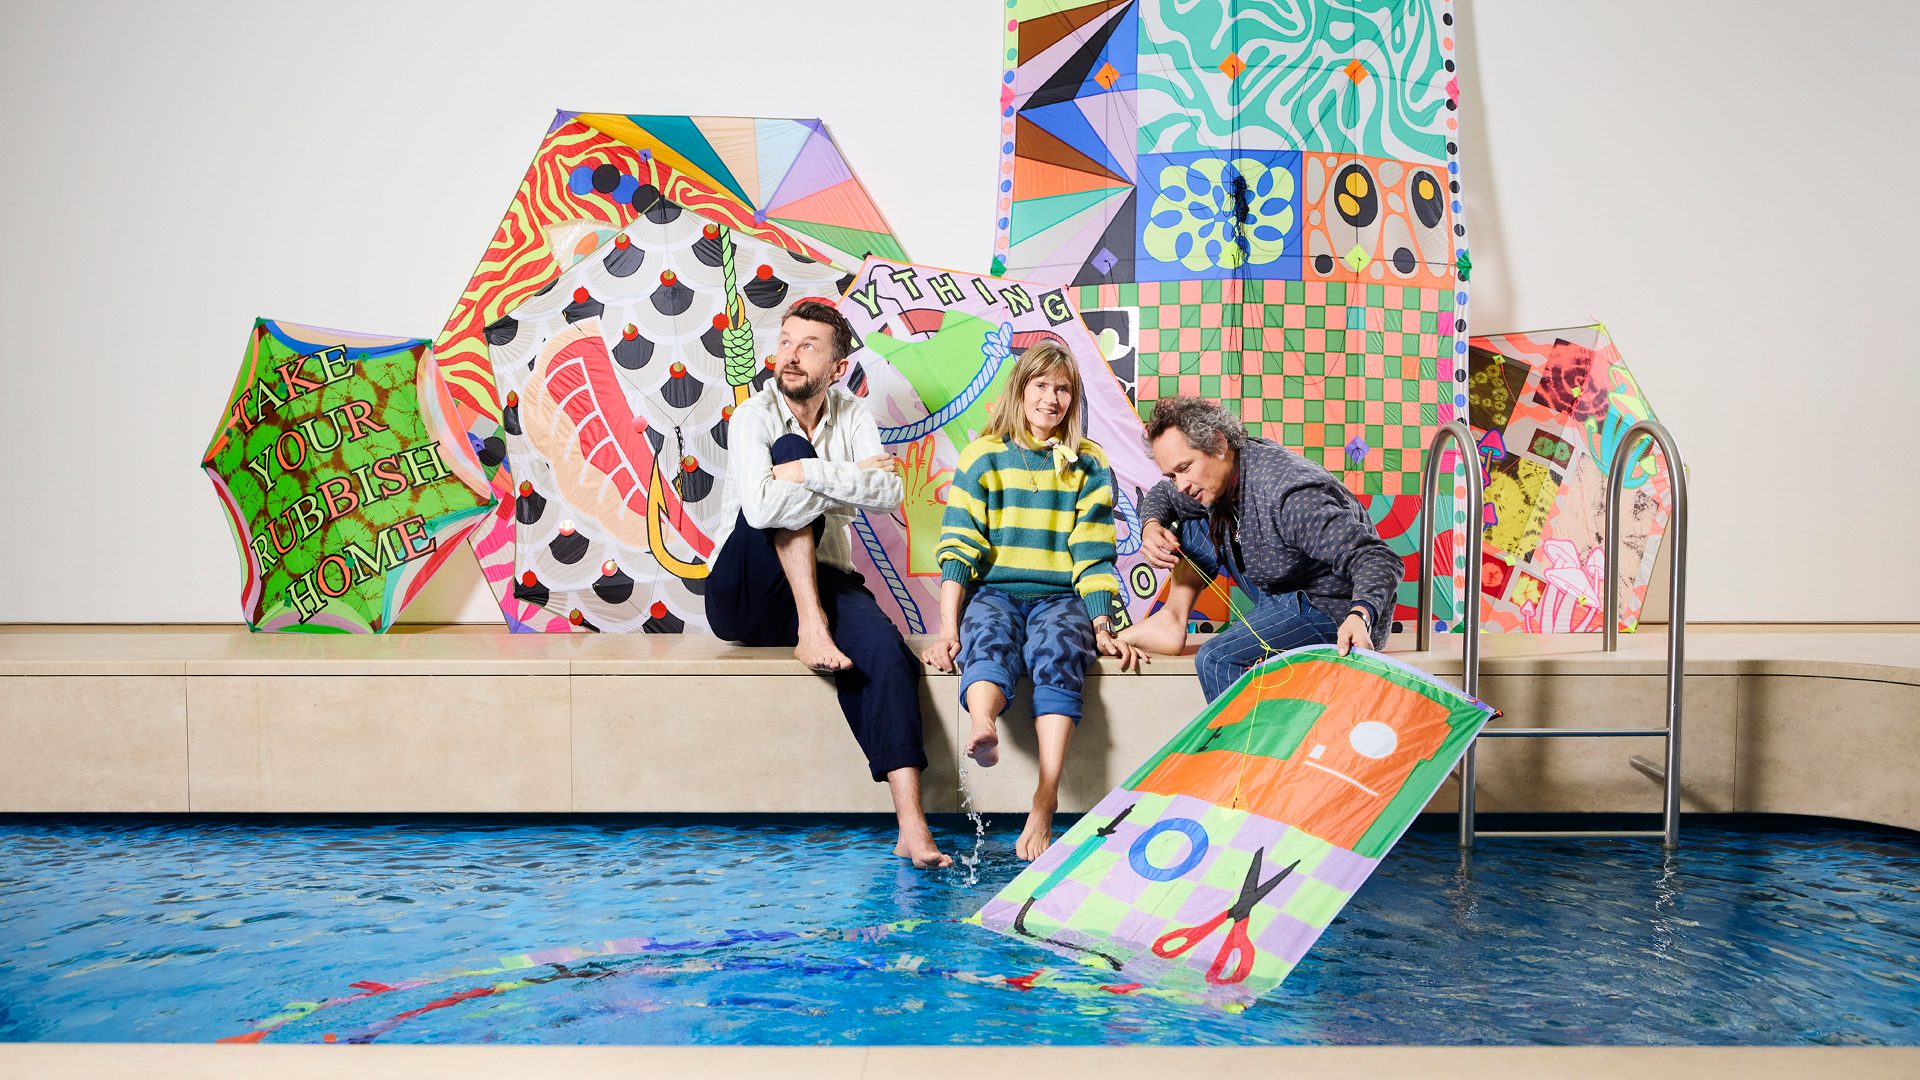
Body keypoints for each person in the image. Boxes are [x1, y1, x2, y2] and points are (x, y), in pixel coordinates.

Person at [706, 298, 951, 869]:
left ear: (837, 367)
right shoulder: (753, 416)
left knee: (890, 657)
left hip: (826, 577)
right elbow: (763, 510)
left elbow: (890, 494)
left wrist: (807, 473)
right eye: (786, 341)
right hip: (745, 593)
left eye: (807, 346)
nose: (790, 356)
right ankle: (812, 628)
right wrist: (840, 481)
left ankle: (911, 827)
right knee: (790, 450)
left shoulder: (854, 414)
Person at [919, 341, 1147, 861]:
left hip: (1059, 597)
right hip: (995, 589)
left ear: (1074, 399)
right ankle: (983, 724)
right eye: (1041, 385)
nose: (1052, 398)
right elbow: (959, 547)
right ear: (1020, 391)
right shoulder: (984, 455)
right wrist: (947, 629)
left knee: (1059, 652)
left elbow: (1093, 554)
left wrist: (1104, 626)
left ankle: (1044, 800)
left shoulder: (1088, 462)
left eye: (1063, 388)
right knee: (988, 637)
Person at [1117, 395, 1401, 703]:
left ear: (1218, 443)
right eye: (1173, 474)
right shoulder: (1216, 474)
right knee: (1192, 510)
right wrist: (1151, 525)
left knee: (1216, 659)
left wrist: (1360, 615)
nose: (1180, 483)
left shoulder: (1289, 496)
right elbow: (1165, 496)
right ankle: (1173, 618)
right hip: (1279, 588)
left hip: (1331, 607)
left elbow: (1377, 558)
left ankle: (1254, 752)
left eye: (1185, 468)